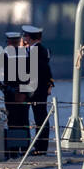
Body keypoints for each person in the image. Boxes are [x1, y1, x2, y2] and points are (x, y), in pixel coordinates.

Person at [20, 25, 53, 156]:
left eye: (25, 36)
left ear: (30, 37)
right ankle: (39, 147)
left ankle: (40, 148)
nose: (24, 38)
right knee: (40, 118)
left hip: (35, 90)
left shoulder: (36, 51)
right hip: (38, 89)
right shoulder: (41, 50)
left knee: (40, 119)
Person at [0, 31, 28, 157]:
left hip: (10, 93)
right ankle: (24, 149)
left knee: (12, 122)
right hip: (24, 93)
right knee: (24, 121)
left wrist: (2, 87)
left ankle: (14, 151)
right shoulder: (26, 55)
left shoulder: (4, 55)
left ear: (9, 42)